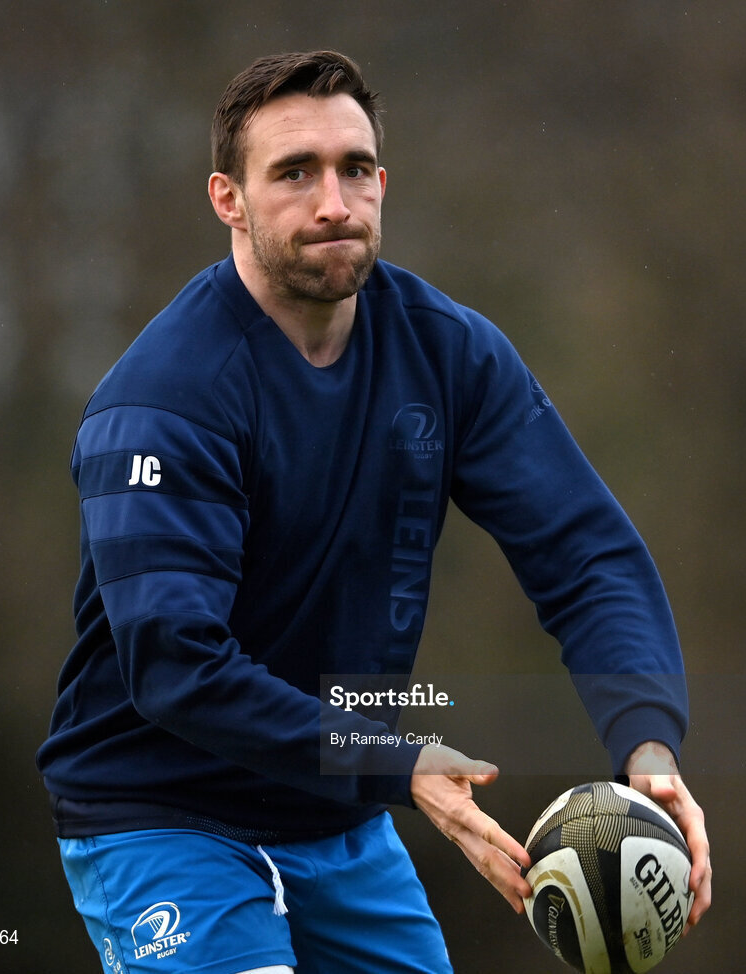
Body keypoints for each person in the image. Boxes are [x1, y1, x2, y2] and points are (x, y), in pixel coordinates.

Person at [37, 50, 711, 974]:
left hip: (337, 819)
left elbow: (587, 556)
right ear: (228, 199)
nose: (333, 202)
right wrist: (395, 762)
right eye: (294, 173)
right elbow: (176, 666)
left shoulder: (450, 355)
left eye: (354, 168)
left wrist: (649, 747)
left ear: (382, 184)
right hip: (159, 814)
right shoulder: (166, 399)